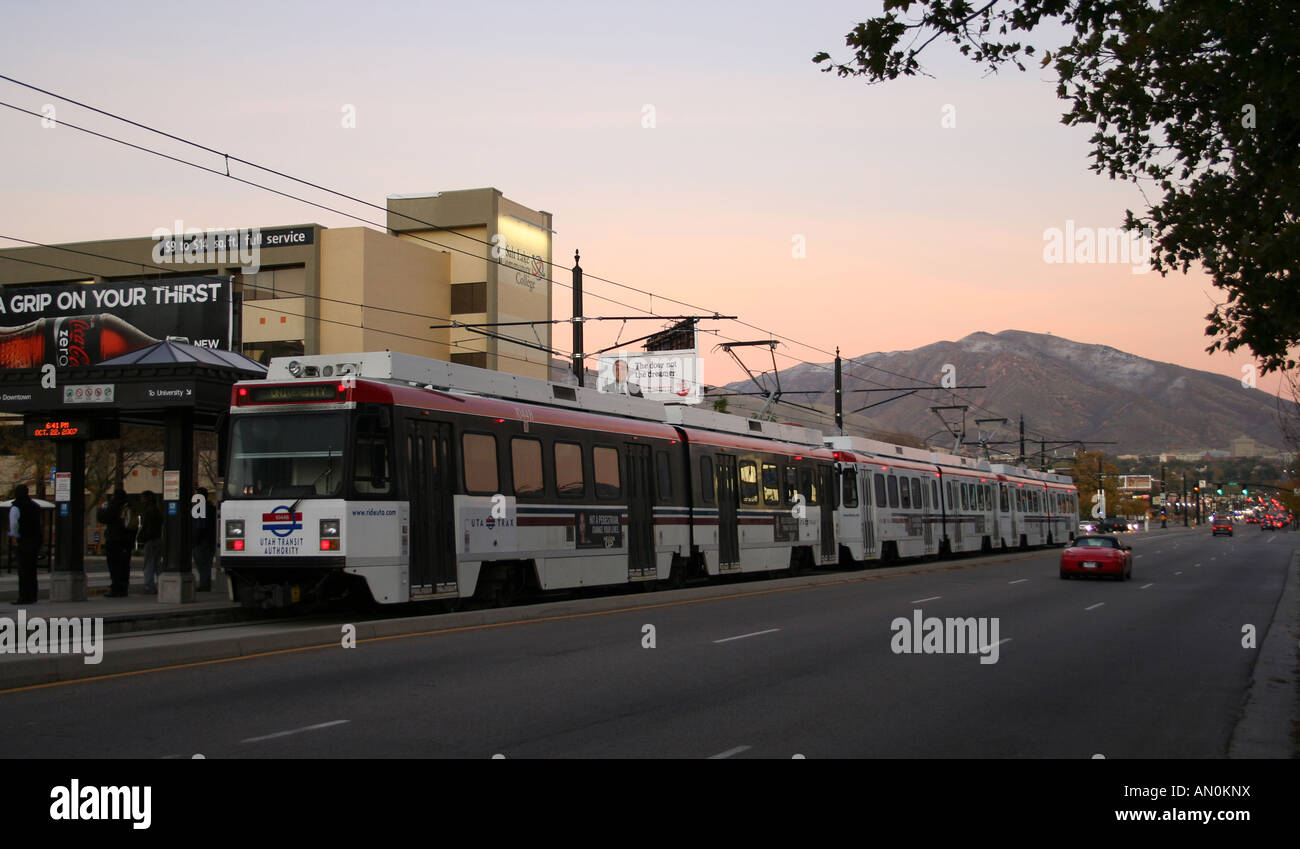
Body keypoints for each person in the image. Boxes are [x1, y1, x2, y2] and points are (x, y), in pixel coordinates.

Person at [97, 489, 136, 597]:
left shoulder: (114, 506)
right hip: (127, 541)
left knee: (114, 565)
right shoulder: (128, 506)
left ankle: (116, 588)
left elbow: (102, 518)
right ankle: (124, 588)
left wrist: (101, 509)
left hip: (114, 539)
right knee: (124, 565)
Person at [8, 484, 40, 605]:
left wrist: (15, 536)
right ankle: (33, 595)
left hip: (23, 541)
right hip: (35, 540)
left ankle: (24, 597)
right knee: (32, 569)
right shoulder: (35, 506)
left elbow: (14, 524)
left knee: (23, 570)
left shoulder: (16, 507)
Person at [137, 491, 163, 593]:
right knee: (157, 564)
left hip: (151, 540)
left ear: (147, 499)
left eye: (142, 498)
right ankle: (160, 584)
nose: (141, 500)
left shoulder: (149, 511)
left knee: (149, 564)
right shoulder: (156, 510)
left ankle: (149, 586)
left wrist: (142, 537)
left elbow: (147, 528)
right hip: (157, 539)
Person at [192, 487, 216, 592]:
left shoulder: (200, 509)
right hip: (209, 539)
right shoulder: (211, 507)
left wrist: (195, 540)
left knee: (202, 563)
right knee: (206, 563)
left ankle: (204, 584)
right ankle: (205, 583)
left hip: (202, 541)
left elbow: (199, 526)